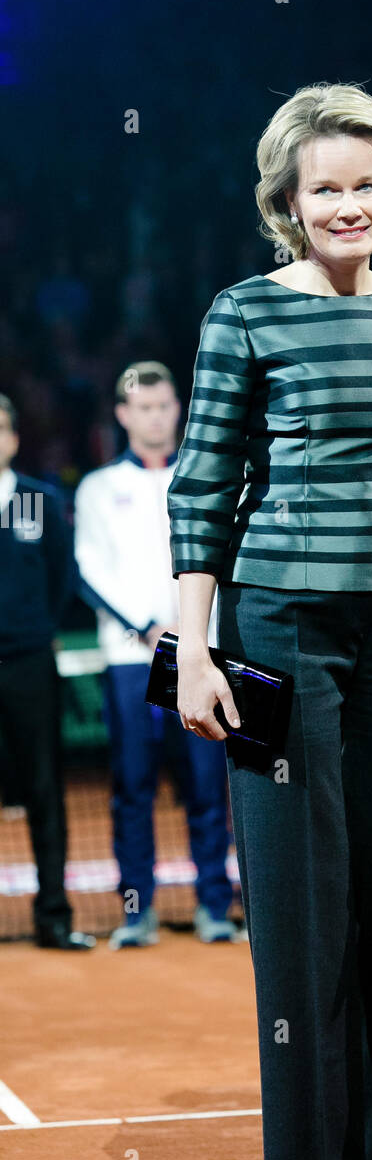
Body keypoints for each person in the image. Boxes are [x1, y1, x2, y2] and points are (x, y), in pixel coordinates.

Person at [167, 83, 372, 1160]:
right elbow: (201, 487)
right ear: (288, 202)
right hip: (275, 627)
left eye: (366, 185)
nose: (349, 204)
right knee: (299, 912)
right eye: (325, 187)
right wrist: (193, 649)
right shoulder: (241, 312)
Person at [74, 362, 236, 948]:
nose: (156, 416)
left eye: (165, 405)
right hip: (128, 662)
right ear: (123, 415)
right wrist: (145, 628)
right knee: (132, 789)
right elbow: (87, 570)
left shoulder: (210, 479)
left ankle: (215, 908)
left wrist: (188, 632)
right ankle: (136, 912)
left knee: (207, 788)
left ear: (178, 409)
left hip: (201, 660)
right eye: (143, 407)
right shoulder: (96, 489)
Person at [0, 393, 94, 950]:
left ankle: (53, 917)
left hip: (32, 662)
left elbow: (64, 574)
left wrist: (41, 628)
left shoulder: (40, 500)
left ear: (13, 437)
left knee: (43, 788)